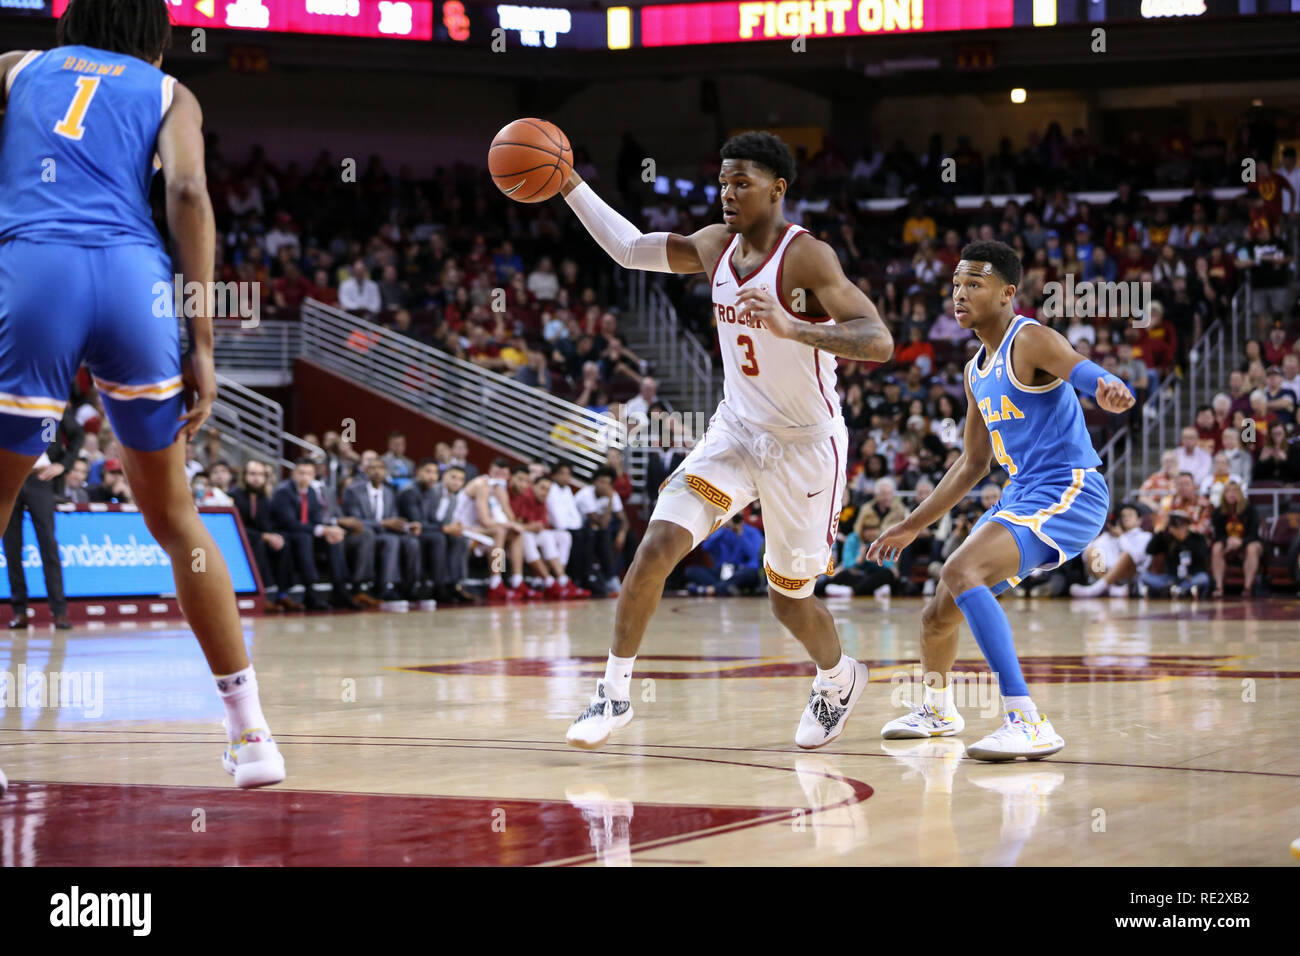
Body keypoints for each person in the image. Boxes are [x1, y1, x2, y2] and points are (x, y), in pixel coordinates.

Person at [0, 5, 286, 791]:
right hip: (135, 283)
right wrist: (202, 340)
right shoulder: (169, 90)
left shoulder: (19, 66)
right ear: (154, 36)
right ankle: (251, 734)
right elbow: (189, 194)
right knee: (176, 520)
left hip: (35, 272)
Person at [558, 131, 894, 751]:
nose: (728, 194)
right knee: (655, 547)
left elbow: (879, 342)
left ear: (777, 188)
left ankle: (839, 678)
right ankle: (612, 693)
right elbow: (630, 249)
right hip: (736, 431)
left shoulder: (807, 258)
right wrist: (569, 184)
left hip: (805, 445)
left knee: (788, 602)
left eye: (742, 183)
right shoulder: (716, 246)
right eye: (723, 182)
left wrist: (797, 328)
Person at [869, 240, 1133, 761]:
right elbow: (971, 464)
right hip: (1022, 496)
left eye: (974, 283)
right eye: (956, 285)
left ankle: (1027, 720)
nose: (960, 294)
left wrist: (1109, 384)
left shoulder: (1029, 338)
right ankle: (940, 709)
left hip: (1070, 490)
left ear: (1008, 292)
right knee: (936, 616)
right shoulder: (975, 370)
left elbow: (1080, 368)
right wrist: (912, 525)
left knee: (961, 570)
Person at [341, 458, 420, 602]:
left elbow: (394, 519)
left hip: (383, 534)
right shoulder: (353, 491)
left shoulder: (389, 492)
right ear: (366, 471)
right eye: (373, 468)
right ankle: (371, 586)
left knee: (403, 540)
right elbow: (356, 522)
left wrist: (407, 526)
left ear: (386, 471)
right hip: (359, 535)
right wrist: (383, 523)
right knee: (382, 538)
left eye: (381, 468)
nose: (377, 471)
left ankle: (397, 587)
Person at [230, 459, 301, 613]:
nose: (256, 478)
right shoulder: (234, 495)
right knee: (259, 544)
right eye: (253, 474)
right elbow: (235, 525)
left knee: (283, 544)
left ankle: (282, 594)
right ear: (245, 475)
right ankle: (265, 595)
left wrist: (275, 536)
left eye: (260, 475)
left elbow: (267, 525)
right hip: (239, 539)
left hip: (259, 537)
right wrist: (264, 536)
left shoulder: (264, 498)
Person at [1070, 504, 1152, 597]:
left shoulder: (1145, 536)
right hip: (1107, 572)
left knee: (1127, 555)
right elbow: (1088, 553)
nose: (1126, 518)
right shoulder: (1110, 535)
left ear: (1139, 520)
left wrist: (1121, 536)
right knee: (1092, 550)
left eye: (1130, 515)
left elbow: (1136, 558)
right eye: (1123, 516)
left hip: (1130, 574)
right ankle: (1110, 588)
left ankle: (1095, 590)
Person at [686, 512, 765, 596]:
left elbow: (753, 554)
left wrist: (740, 533)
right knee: (691, 571)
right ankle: (727, 588)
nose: (734, 520)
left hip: (742, 570)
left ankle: (710, 589)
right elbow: (706, 547)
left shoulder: (753, 532)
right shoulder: (722, 531)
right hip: (722, 571)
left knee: (750, 574)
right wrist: (723, 529)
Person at [1209, 481, 1263, 598]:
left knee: (1252, 548)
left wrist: (1241, 542)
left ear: (1240, 494)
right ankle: (1219, 587)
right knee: (1216, 547)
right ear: (1224, 495)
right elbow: (1217, 534)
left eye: (1234, 491)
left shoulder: (1250, 510)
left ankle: (1247, 587)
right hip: (1227, 543)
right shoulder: (1218, 512)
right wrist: (1227, 541)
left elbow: (1254, 534)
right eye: (1228, 491)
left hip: (1248, 542)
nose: (1231, 494)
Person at [1140, 511, 1211, 598]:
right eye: (1174, 526)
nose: (1177, 529)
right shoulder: (1168, 539)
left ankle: (1177, 590)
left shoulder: (1197, 538)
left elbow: (1203, 556)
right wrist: (1161, 530)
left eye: (1180, 525)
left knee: (1203, 578)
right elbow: (1149, 550)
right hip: (1171, 578)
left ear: (1187, 525)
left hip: (1190, 577)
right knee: (1144, 576)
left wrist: (1185, 541)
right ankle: (1176, 590)